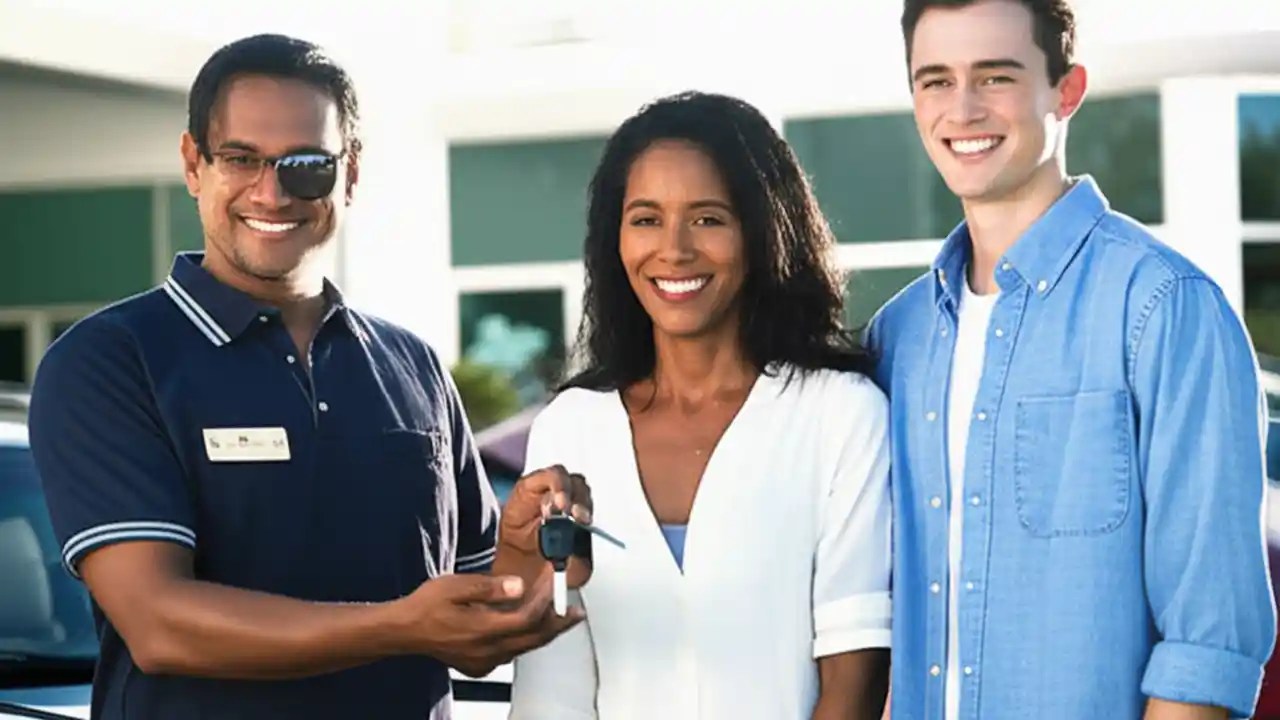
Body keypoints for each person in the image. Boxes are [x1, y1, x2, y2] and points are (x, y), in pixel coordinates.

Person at [26, 33, 591, 720]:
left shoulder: (412, 366)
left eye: (305, 165)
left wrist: (526, 555)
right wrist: (399, 626)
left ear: (349, 173)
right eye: (241, 158)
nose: (272, 193)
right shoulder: (111, 362)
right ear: (192, 164)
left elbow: (475, 638)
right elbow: (160, 625)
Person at [866, 1, 1277, 718]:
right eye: (935, 81)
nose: (961, 109)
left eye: (994, 77)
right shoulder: (896, 339)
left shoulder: (1166, 308)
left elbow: (1206, 641)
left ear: (1067, 90)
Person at [506, 91, 893, 719]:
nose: (675, 249)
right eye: (646, 218)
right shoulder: (571, 427)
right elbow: (553, 689)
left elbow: (853, 686)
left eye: (709, 218)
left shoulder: (840, 416)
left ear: (762, 232)